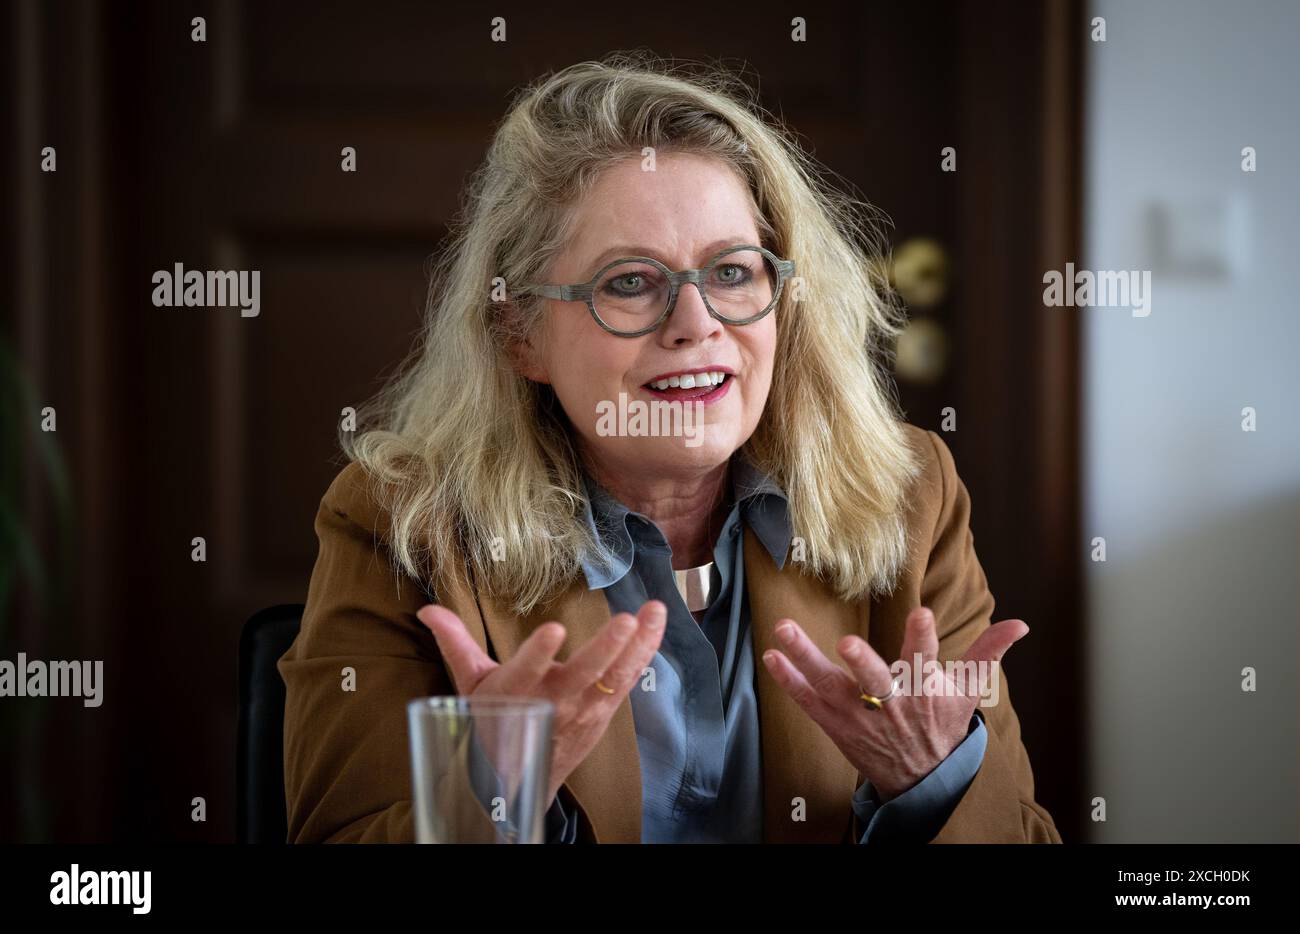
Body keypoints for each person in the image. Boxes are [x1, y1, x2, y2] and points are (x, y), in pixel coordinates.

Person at [279, 52, 1062, 844]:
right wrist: (487, 798)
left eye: (732, 271)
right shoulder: (402, 522)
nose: (696, 323)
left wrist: (931, 783)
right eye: (628, 282)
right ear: (521, 335)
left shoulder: (910, 493)